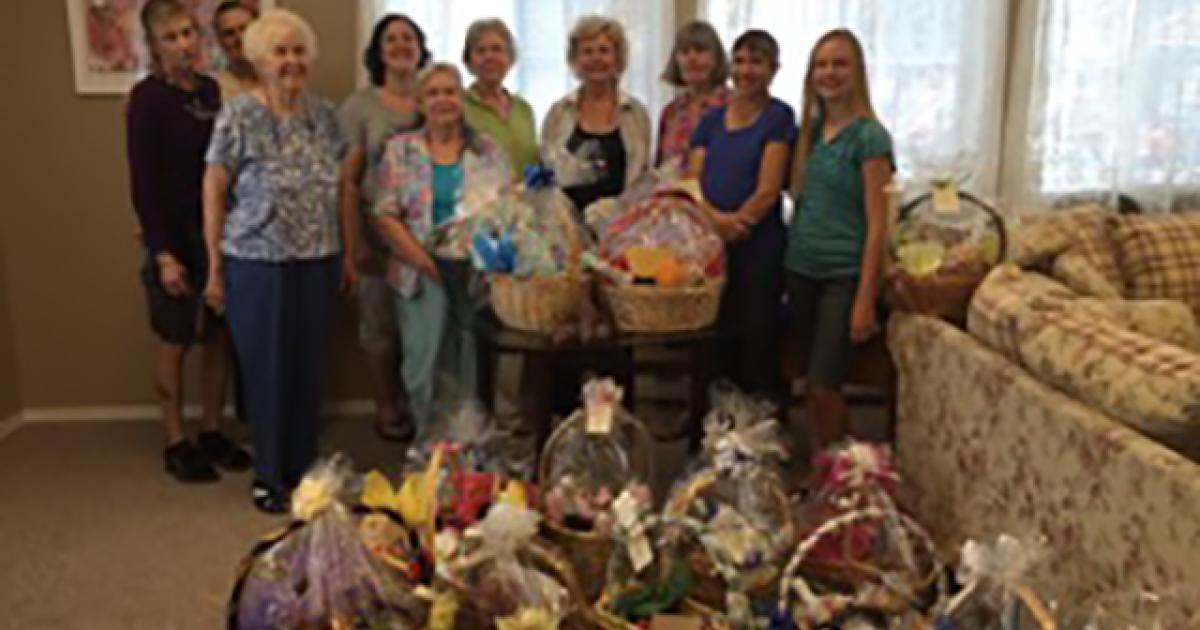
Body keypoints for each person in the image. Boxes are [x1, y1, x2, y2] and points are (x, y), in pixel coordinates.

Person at [202, 8, 355, 513]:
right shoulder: (239, 114)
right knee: (265, 368)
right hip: (255, 261)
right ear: (259, 60)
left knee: (308, 367)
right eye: (279, 52)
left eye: (297, 51)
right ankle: (268, 474)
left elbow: (343, 188)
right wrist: (214, 265)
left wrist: (348, 254)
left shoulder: (326, 116)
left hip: (317, 258)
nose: (290, 61)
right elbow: (214, 186)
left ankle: (303, 467)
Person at [126, 0, 250, 484]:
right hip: (172, 239)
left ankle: (212, 430)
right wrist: (163, 254)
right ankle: (175, 439)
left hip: (217, 234)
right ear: (154, 47)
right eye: (170, 38)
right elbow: (143, 183)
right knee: (174, 339)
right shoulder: (147, 99)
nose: (183, 45)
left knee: (218, 336)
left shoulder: (212, 91)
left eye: (187, 34)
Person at [371, 63, 511, 434]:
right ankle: (428, 446)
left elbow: (508, 209)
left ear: (461, 99)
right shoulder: (400, 150)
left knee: (469, 361)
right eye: (433, 93)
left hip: (475, 270)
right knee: (424, 361)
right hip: (417, 271)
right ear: (420, 102)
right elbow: (385, 214)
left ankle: (466, 447)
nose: (442, 100)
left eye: (450, 92)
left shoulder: (486, 150)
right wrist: (426, 261)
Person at [785, 29, 893, 454]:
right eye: (821, 65)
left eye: (839, 64)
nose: (829, 73)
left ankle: (841, 468)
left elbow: (877, 225)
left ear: (857, 72)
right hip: (800, 270)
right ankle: (827, 463)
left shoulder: (870, 137)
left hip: (842, 277)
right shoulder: (810, 132)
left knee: (824, 383)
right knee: (807, 382)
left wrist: (865, 297)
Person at [689, 30, 796, 400]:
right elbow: (691, 180)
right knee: (713, 342)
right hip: (711, 247)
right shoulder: (711, 120)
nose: (747, 70)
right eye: (741, 61)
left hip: (759, 246)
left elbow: (770, 187)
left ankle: (761, 431)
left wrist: (740, 222)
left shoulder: (778, 116)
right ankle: (715, 435)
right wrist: (715, 221)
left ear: (773, 69)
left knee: (757, 339)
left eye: (757, 61)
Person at [339, 13, 430, 442]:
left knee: (425, 326)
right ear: (377, 51)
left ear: (420, 47)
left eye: (408, 38)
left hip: (427, 234)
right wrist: (352, 243)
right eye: (390, 39)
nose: (400, 45)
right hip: (377, 233)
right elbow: (348, 180)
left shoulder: (435, 97)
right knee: (379, 329)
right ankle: (387, 406)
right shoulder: (360, 106)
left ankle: (423, 406)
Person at [542, 15, 651, 215]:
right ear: (574, 60)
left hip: (620, 227)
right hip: (566, 229)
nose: (596, 59)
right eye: (587, 52)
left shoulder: (636, 114)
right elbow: (548, 172)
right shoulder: (558, 113)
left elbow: (642, 179)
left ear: (618, 58)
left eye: (604, 50)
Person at [462, 18, 539, 175]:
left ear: (510, 58)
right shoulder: (459, 107)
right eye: (481, 51)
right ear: (469, 61)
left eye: (497, 49)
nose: (489, 57)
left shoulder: (523, 109)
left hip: (527, 198)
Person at [655, 20, 730, 170]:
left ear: (716, 58)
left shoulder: (734, 106)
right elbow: (660, 169)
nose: (692, 58)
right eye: (684, 52)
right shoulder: (670, 112)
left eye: (700, 51)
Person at [211, 1, 258, 100]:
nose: (239, 38)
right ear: (220, 41)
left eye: (244, 29)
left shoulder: (279, 80)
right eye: (229, 33)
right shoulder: (214, 90)